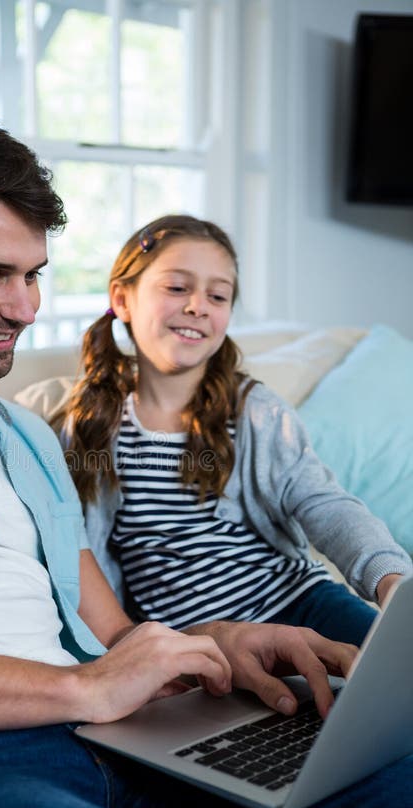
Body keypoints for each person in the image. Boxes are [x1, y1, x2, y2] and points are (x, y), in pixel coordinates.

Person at [0, 121, 411, 808]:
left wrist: (219, 643)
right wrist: (81, 689)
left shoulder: (27, 435)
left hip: (115, 745)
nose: (23, 308)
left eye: (34, 275)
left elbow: (116, 633)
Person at [58, 214, 412, 648]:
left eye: (218, 295)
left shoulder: (254, 411)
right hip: (197, 644)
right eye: (177, 287)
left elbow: (325, 504)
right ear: (123, 297)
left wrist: (390, 578)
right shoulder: (92, 424)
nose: (197, 306)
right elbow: (75, 545)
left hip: (303, 606)